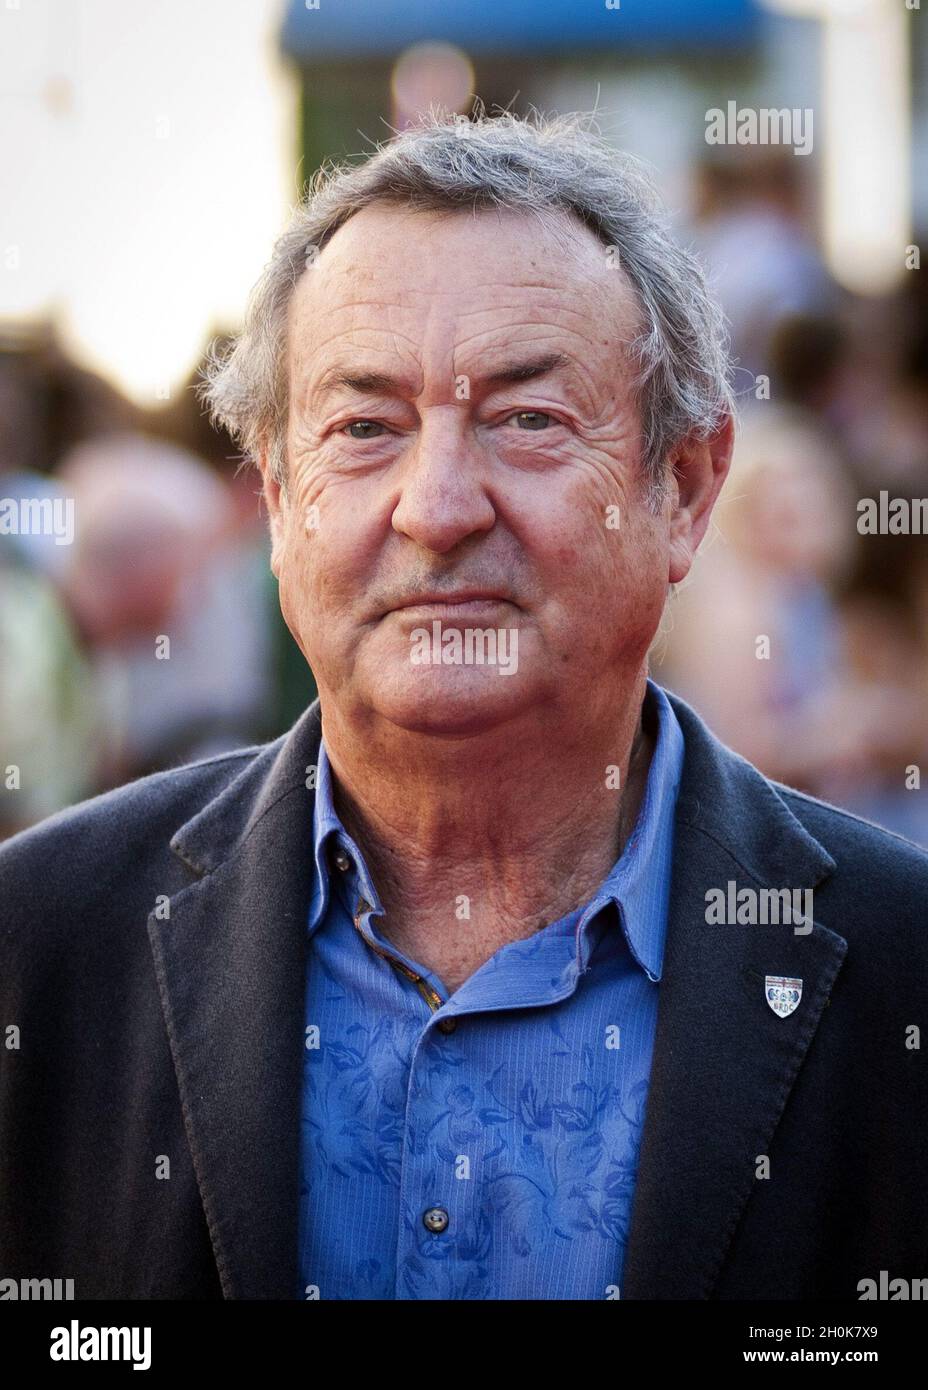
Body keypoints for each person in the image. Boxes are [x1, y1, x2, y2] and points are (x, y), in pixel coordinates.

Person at [1, 110, 925, 1302]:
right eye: (364, 429)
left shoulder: (899, 968)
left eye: (527, 420)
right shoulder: (42, 949)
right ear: (280, 503)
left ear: (684, 489)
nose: (436, 507)